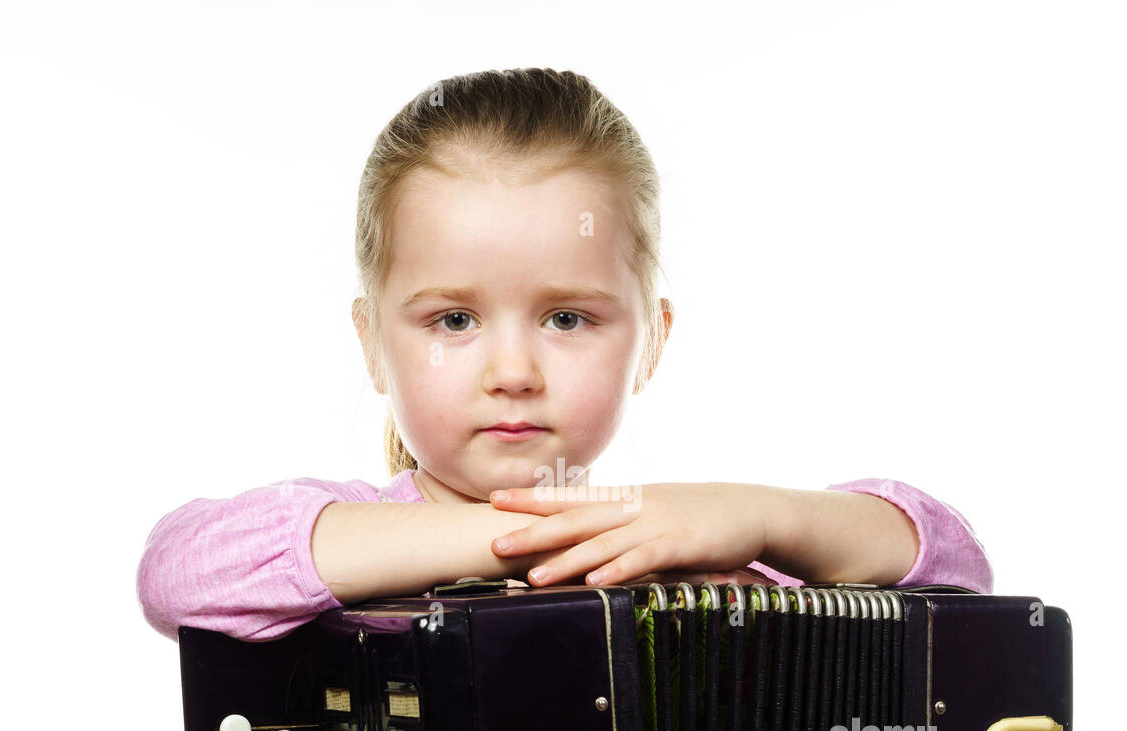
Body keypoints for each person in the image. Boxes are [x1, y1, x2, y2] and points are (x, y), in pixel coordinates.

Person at [137, 68, 992, 644]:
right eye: (454, 321)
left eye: (570, 319)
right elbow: (176, 570)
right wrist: (514, 536)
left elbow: (957, 567)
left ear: (651, 341)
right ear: (372, 345)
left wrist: (762, 516)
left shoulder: (680, 552)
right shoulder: (350, 544)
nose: (513, 369)